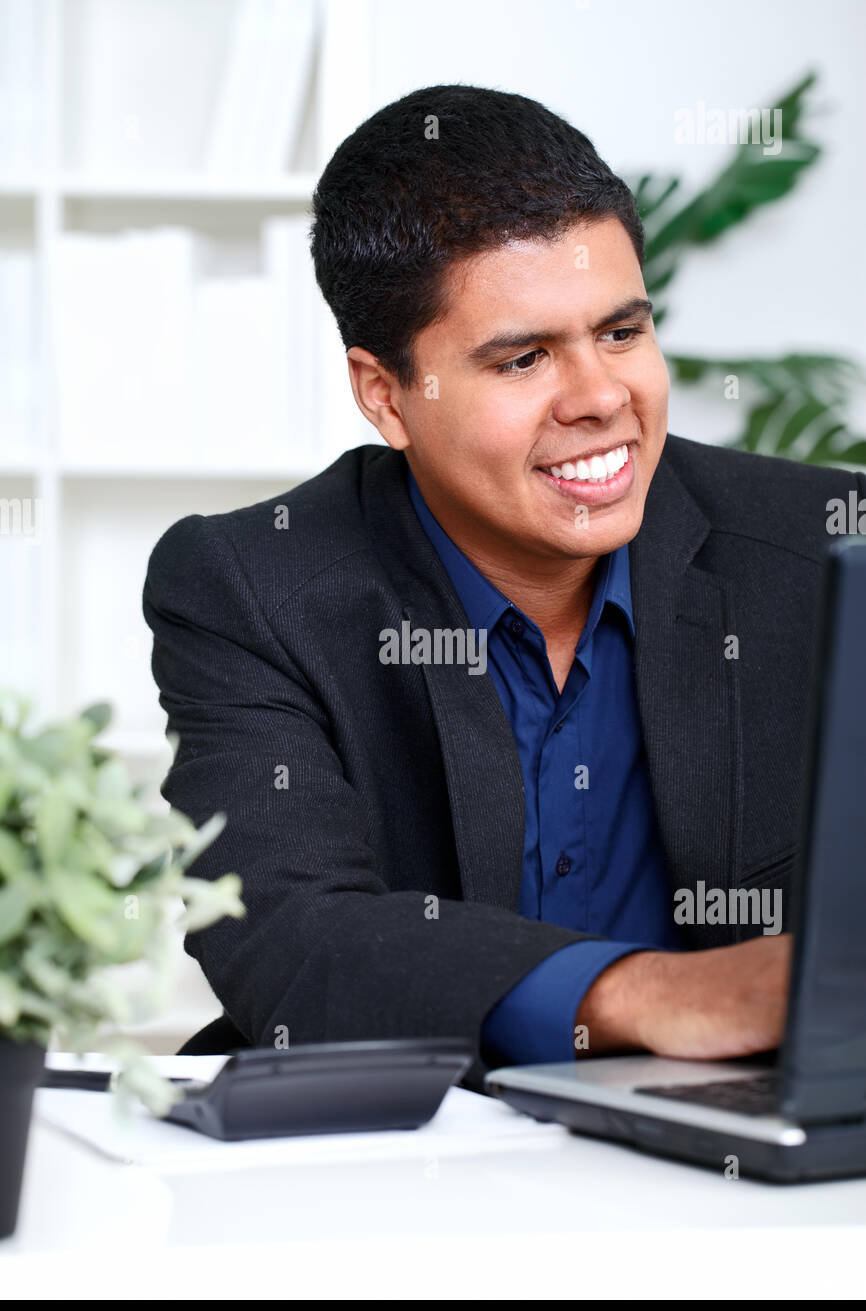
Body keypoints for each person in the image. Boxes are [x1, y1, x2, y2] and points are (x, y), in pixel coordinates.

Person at [143, 85, 862, 1090]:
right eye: (523, 358)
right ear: (386, 395)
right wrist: (651, 994)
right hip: (396, 1173)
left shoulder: (822, 548)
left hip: (742, 1171)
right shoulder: (250, 585)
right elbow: (288, 938)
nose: (600, 398)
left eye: (620, 333)